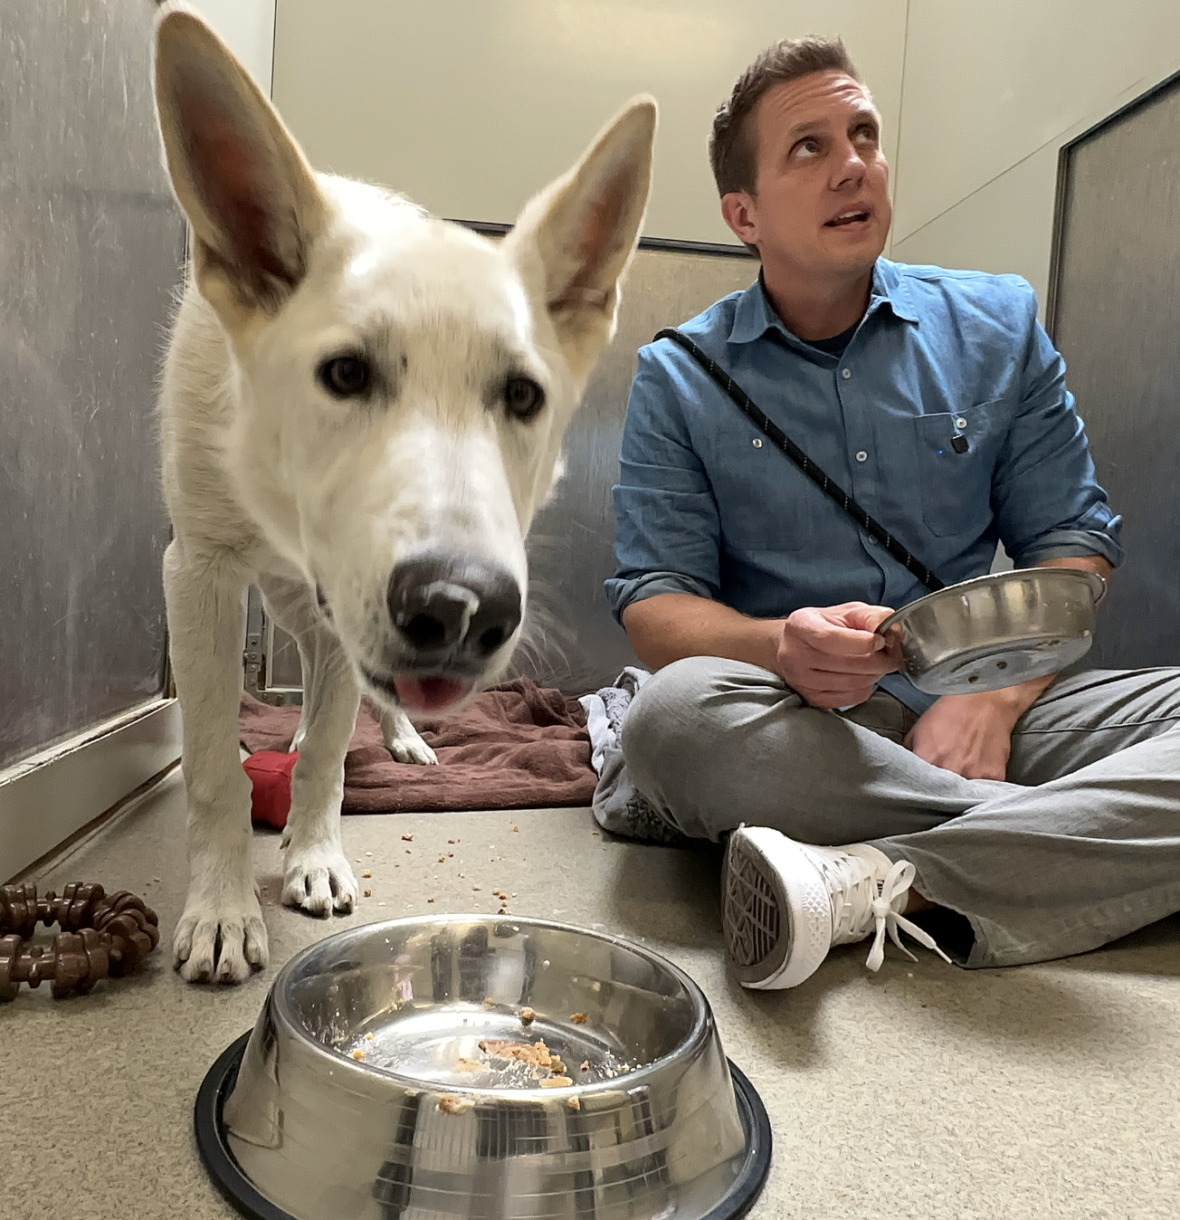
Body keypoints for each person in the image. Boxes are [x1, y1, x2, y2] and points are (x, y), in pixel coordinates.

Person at [606, 37, 1180, 990]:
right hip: (802, 722)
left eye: (864, 134)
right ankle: (1070, 831)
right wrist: (780, 647)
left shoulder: (1000, 322)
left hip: (995, 705)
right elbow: (655, 603)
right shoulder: (680, 376)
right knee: (667, 722)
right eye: (808, 147)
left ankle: (873, 881)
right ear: (742, 215)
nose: (854, 165)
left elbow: (1076, 547)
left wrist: (988, 700)